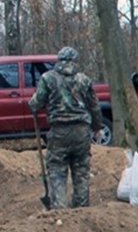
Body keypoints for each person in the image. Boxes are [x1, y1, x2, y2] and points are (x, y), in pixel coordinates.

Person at [28, 46, 102, 209]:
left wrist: (32, 104)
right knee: (81, 171)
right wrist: (97, 127)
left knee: (57, 169)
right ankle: (82, 211)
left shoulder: (48, 79)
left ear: (59, 60)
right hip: (82, 132)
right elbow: (94, 106)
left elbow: (36, 103)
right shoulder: (84, 79)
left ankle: (60, 211)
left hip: (59, 132)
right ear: (75, 61)